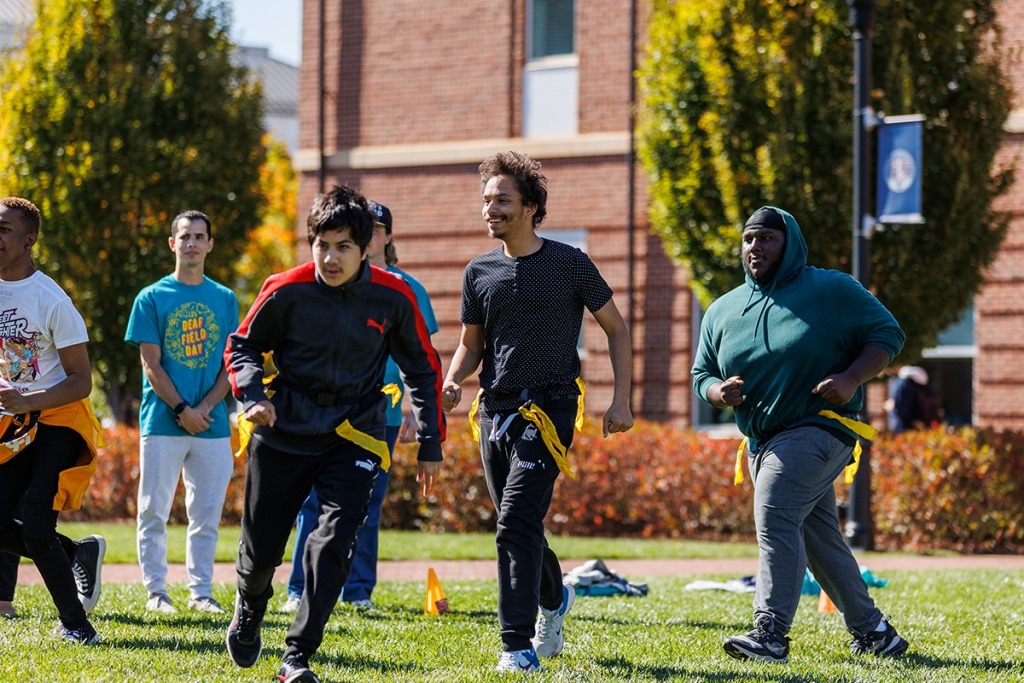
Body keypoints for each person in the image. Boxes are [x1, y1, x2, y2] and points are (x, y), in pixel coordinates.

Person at [224, 184, 446, 683]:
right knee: (261, 552)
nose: (330, 257)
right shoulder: (285, 288)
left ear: (366, 247)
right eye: (321, 245)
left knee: (333, 543)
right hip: (283, 428)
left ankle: (297, 656)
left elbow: (423, 368)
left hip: (355, 433)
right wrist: (252, 395)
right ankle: (250, 608)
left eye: (343, 246)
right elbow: (241, 346)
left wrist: (431, 440)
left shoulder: (394, 296)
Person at [441, 151, 634, 673]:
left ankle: (516, 645)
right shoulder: (479, 271)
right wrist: (453, 378)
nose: (491, 209)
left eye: (502, 200)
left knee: (513, 522)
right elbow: (471, 345)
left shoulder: (570, 262)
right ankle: (556, 597)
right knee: (520, 522)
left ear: (530, 207)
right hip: (494, 411)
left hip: (549, 409)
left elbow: (616, 328)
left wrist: (621, 399)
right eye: (487, 200)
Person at [692, 206, 910, 664]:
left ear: (789, 243)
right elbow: (702, 373)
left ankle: (770, 633)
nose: (756, 247)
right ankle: (874, 632)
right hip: (762, 442)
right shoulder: (722, 310)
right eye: (749, 239)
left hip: (821, 426)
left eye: (767, 238)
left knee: (775, 514)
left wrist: (851, 377)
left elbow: (887, 333)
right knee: (817, 539)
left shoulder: (830, 289)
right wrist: (716, 391)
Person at [281, 200, 439, 613]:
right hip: (326, 411)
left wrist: (413, 409)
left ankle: (357, 591)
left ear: (387, 236)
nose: (368, 235)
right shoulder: (331, 282)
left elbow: (420, 358)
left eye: (375, 228)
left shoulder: (406, 289)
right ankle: (299, 588)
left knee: (367, 502)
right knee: (312, 501)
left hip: (381, 414)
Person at [0, 196, 106, 643]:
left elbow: (81, 382)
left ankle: (78, 627)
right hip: (17, 422)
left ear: (29, 240)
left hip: (61, 419)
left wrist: (26, 399)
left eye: (4, 229)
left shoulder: (51, 300)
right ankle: (77, 555)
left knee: (38, 526)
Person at [124, 210, 239, 614]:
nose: (192, 243)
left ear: (210, 244)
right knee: (153, 510)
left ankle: (201, 593)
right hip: (162, 423)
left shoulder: (225, 299)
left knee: (206, 515)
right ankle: (156, 592)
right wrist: (182, 408)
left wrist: (203, 408)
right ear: (173, 243)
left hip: (211, 424)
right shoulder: (151, 297)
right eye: (185, 236)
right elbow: (150, 364)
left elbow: (231, 363)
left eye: (199, 237)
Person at [888, 366, 940, 434]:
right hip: (914, 426)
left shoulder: (905, 385)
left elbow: (901, 408)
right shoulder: (910, 386)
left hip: (909, 426)